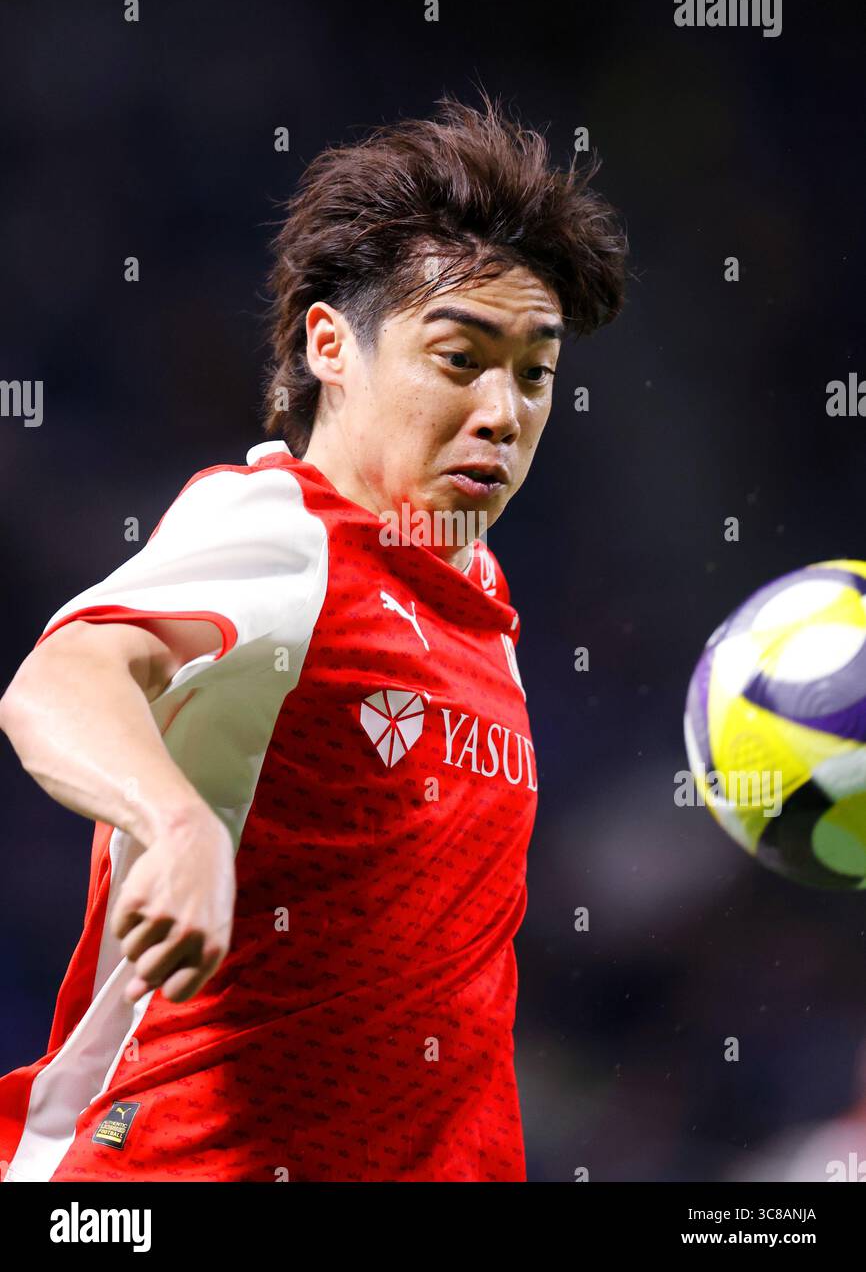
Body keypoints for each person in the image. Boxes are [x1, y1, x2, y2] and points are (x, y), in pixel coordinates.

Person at [0, 92, 627, 1181]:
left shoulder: (480, 600)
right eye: (458, 355)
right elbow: (59, 676)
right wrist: (178, 824)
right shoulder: (286, 531)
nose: (503, 411)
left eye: (534, 373)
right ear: (330, 345)